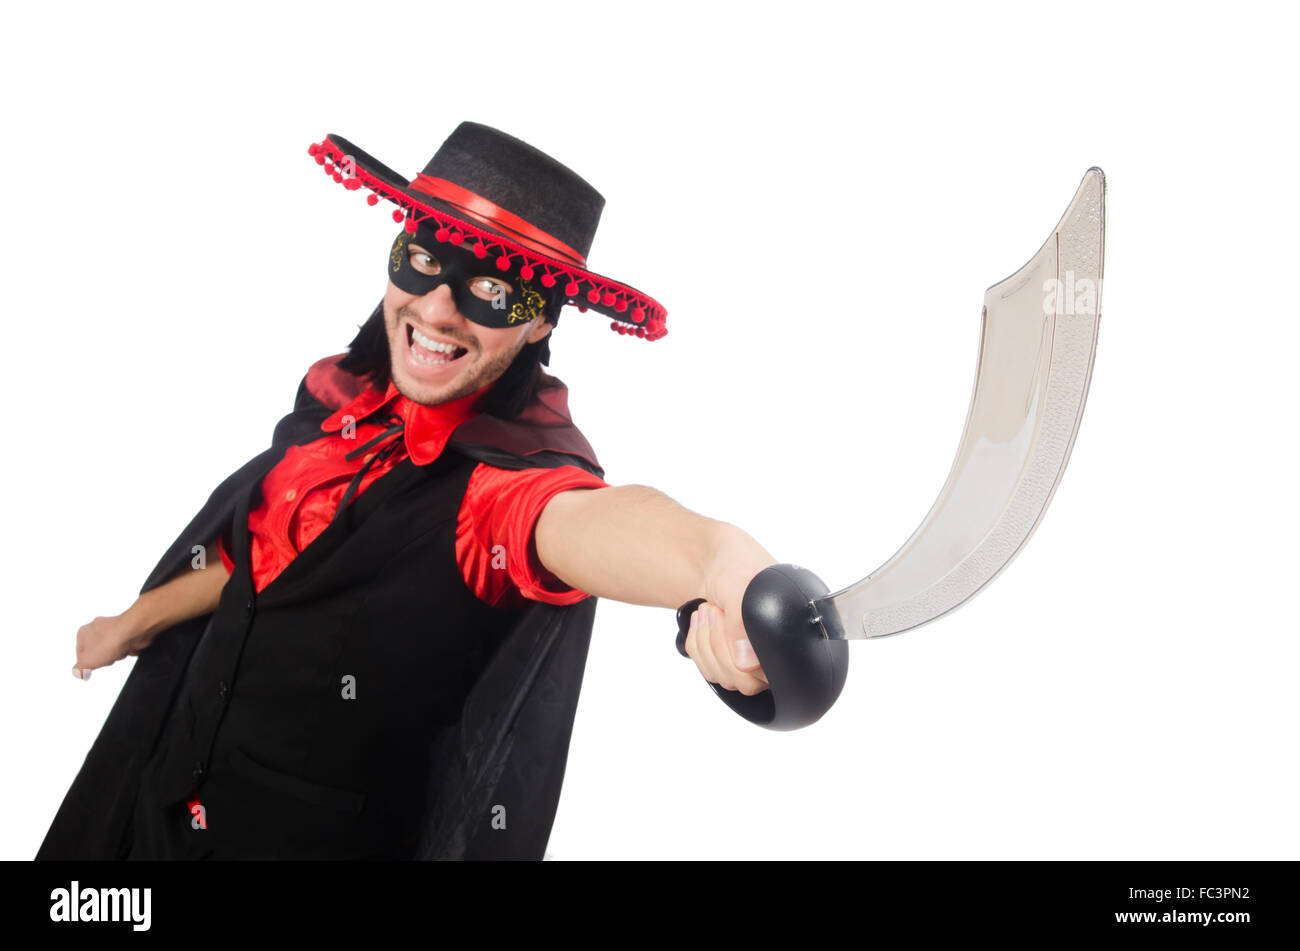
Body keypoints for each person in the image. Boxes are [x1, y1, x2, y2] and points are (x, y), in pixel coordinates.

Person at [36, 121, 775, 861]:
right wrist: (136, 620)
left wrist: (719, 560)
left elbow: (575, 521)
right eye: (422, 259)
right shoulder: (337, 398)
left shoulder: (503, 483)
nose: (437, 309)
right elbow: (256, 549)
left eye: (491, 288)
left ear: (541, 318)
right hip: (162, 798)